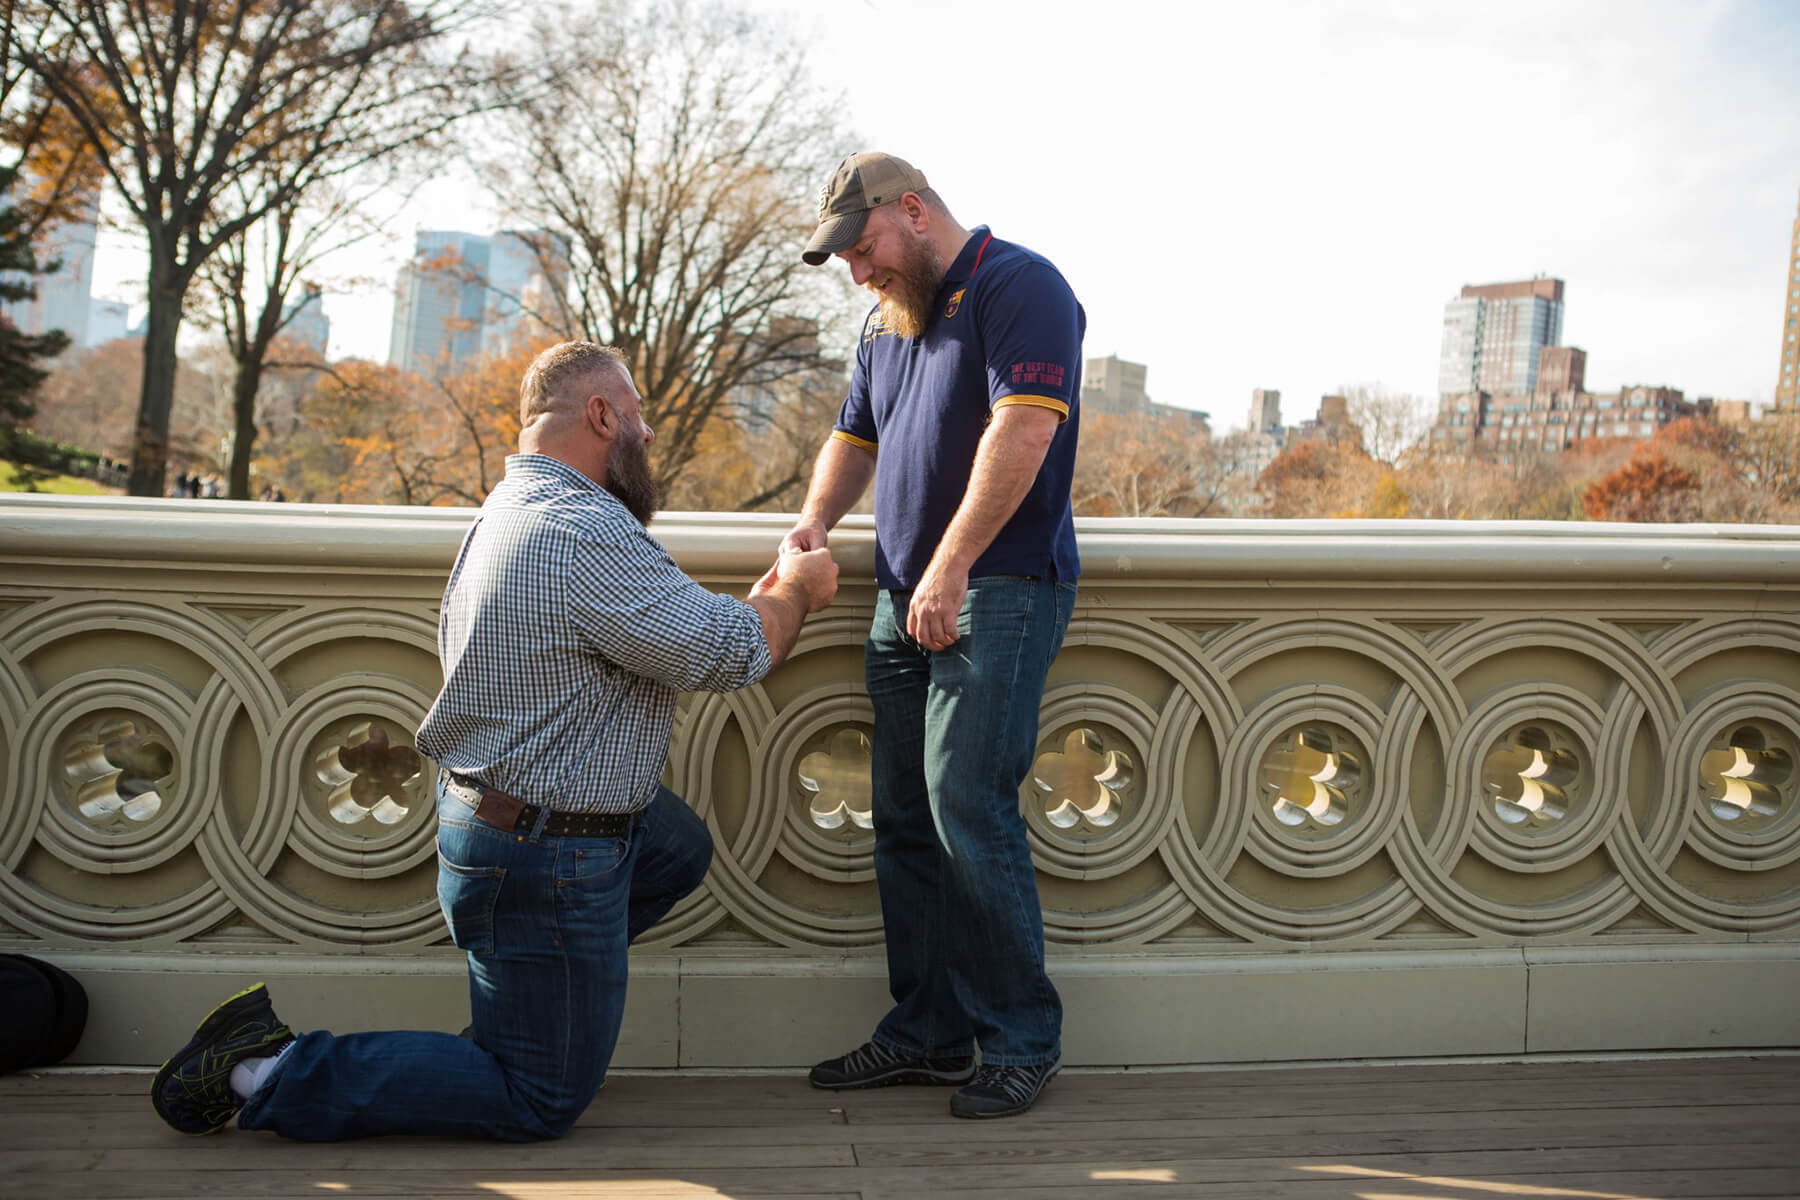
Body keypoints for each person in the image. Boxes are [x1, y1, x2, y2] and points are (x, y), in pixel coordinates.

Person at [150, 341, 839, 1141]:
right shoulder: (581, 531)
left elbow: (685, 627)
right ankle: (262, 1066)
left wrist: (753, 606)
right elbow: (731, 653)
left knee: (675, 846)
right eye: (639, 413)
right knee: (537, 1098)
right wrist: (796, 591)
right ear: (602, 415)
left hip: (494, 822)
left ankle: (541, 1009)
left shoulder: (511, 508)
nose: (648, 434)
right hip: (542, 858)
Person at [784, 153, 1084, 1119]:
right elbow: (854, 437)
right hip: (899, 597)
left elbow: (1024, 432)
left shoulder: (1020, 285)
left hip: (994, 588)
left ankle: (1021, 1042)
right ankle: (928, 1030)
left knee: (969, 809)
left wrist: (952, 564)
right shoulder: (888, 320)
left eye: (863, 249)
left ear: (910, 211)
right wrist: (813, 524)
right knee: (906, 819)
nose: (858, 272)